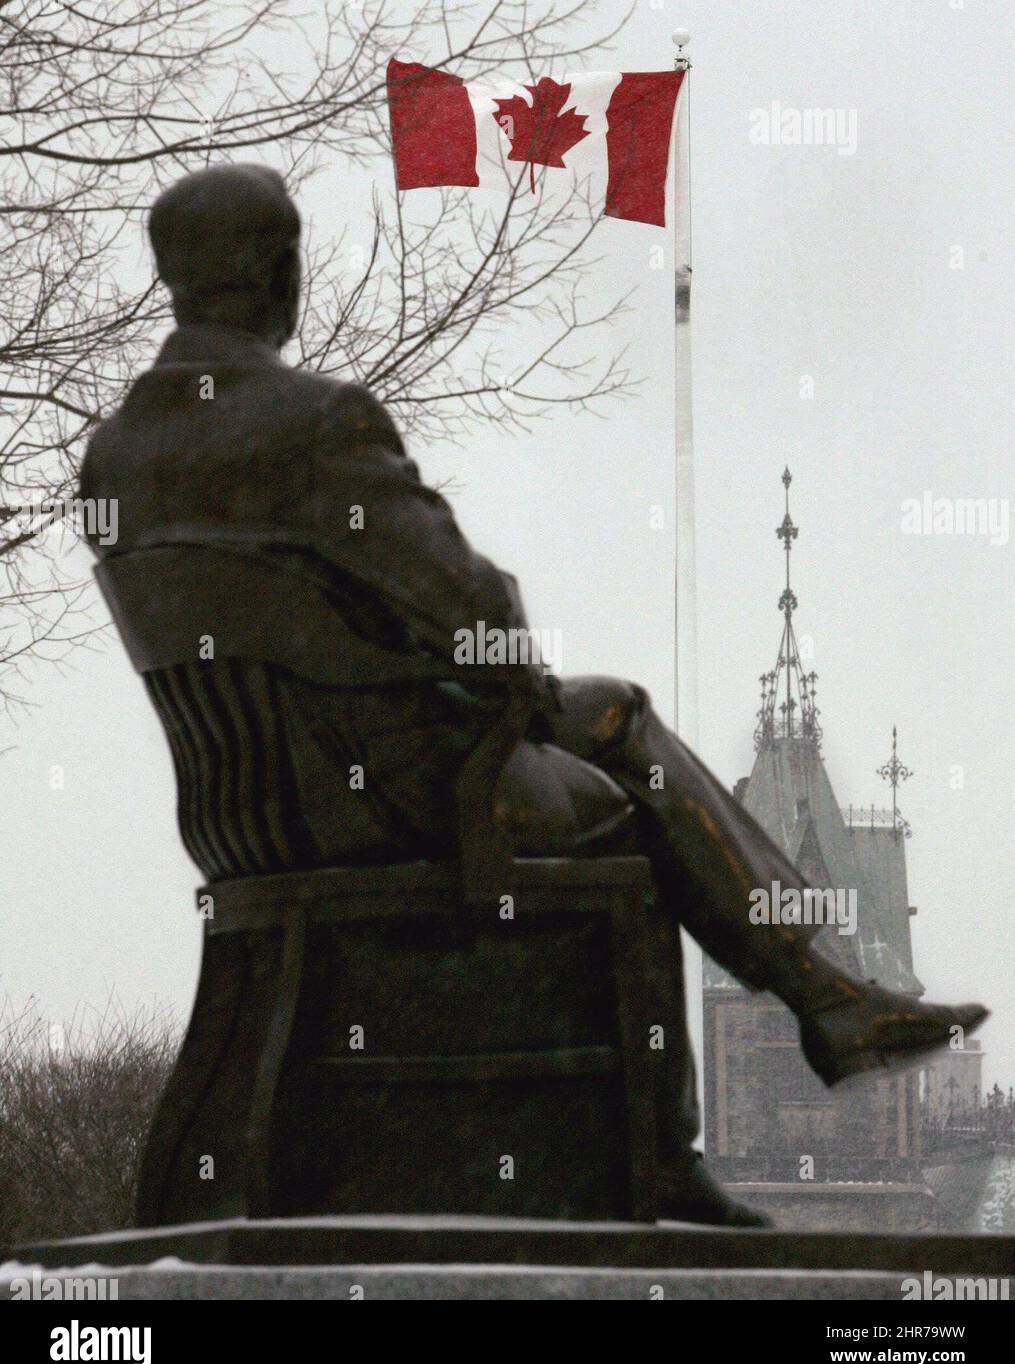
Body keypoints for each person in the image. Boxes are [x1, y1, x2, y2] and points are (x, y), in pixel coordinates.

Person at [78, 165, 987, 1227]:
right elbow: (476, 610)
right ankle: (696, 1123)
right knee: (627, 785)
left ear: (172, 282)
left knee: (606, 719)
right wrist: (498, 676)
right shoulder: (316, 422)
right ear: (284, 277)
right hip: (400, 797)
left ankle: (827, 1001)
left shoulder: (113, 454)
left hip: (249, 825)